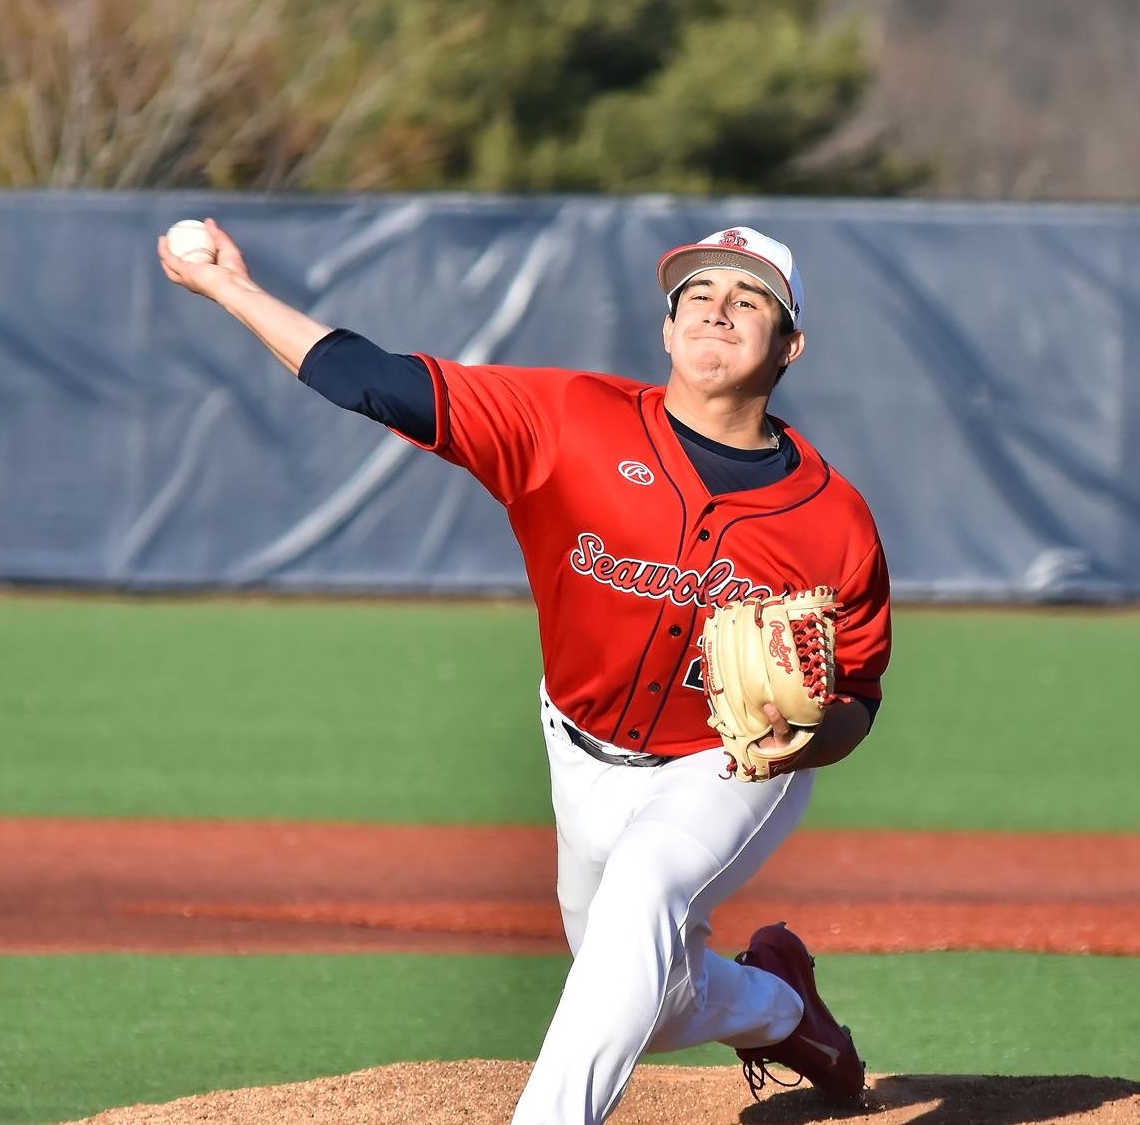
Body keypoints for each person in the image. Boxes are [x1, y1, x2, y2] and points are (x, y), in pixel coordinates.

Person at [159, 219, 892, 1124]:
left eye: (749, 300)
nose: (717, 311)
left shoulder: (833, 519)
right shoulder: (566, 421)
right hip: (578, 751)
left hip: (732, 765)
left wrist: (812, 734)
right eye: (696, 295)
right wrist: (231, 289)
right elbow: (374, 380)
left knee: (646, 884)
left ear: (790, 344)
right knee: (647, 994)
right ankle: (784, 1007)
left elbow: (858, 698)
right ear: (665, 331)